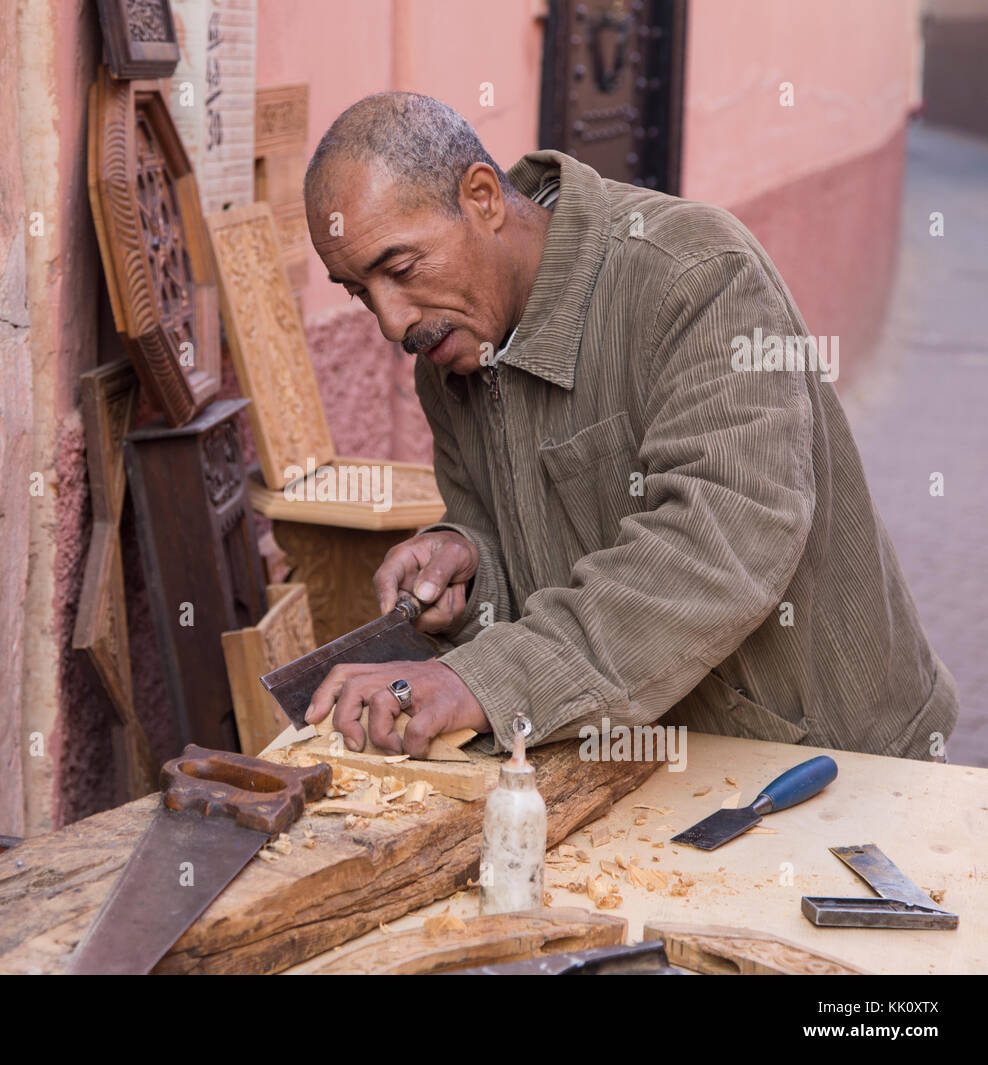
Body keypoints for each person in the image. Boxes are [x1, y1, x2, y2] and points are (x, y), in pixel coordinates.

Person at [299, 91, 957, 762]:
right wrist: (466, 572)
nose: (391, 322)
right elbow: (521, 566)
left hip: (830, 756)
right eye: (358, 292)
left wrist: (486, 680)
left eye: (402, 269)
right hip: (647, 762)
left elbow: (723, 542)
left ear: (483, 199)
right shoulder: (450, 352)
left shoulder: (696, 275)